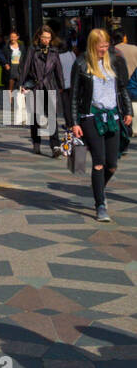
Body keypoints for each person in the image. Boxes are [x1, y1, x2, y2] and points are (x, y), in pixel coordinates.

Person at [71, 28, 133, 222]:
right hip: (91, 117)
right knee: (99, 162)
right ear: (92, 45)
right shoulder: (81, 63)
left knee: (112, 165)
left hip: (113, 116)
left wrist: (128, 111)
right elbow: (74, 95)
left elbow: (122, 88)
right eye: (101, 46)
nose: (104, 49)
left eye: (106, 45)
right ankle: (100, 204)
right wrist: (74, 122)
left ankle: (98, 188)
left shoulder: (114, 60)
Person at [18, 24, 65, 156]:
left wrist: (62, 86)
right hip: (35, 86)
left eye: (48, 38)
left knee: (51, 117)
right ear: (39, 37)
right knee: (36, 116)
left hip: (49, 86)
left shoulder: (54, 52)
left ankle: (55, 146)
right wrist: (21, 84)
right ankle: (36, 142)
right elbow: (26, 67)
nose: (46, 40)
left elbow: (59, 71)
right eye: (44, 37)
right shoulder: (32, 50)